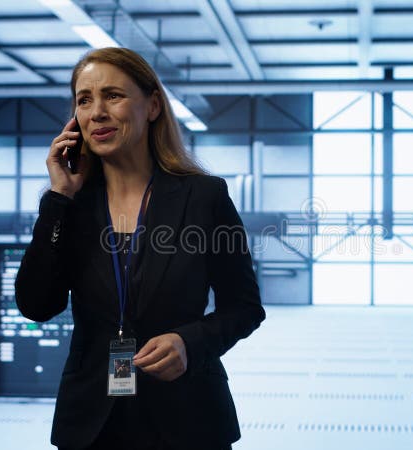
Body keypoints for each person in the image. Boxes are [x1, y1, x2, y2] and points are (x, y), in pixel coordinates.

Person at [15, 47, 265, 450]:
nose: (96, 112)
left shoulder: (204, 197)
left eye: (112, 95)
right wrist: (58, 199)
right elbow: (36, 305)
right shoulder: (71, 207)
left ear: (152, 106)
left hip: (189, 416)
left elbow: (245, 307)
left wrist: (190, 342)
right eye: (84, 99)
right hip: (92, 423)